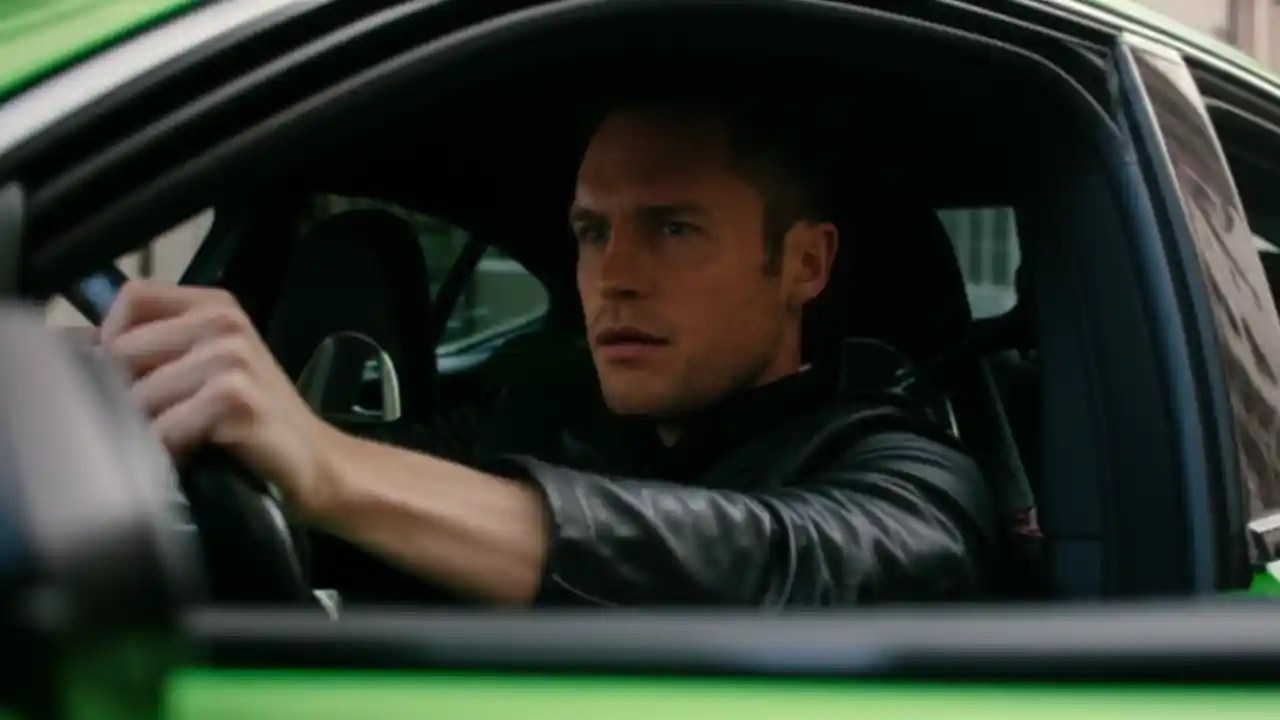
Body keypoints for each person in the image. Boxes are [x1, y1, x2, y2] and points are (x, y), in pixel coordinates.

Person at [99, 95, 994, 606]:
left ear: (804, 264)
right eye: (593, 232)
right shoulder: (545, 408)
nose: (615, 278)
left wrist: (327, 465)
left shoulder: (912, 477)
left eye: (674, 229)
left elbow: (772, 562)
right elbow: (340, 504)